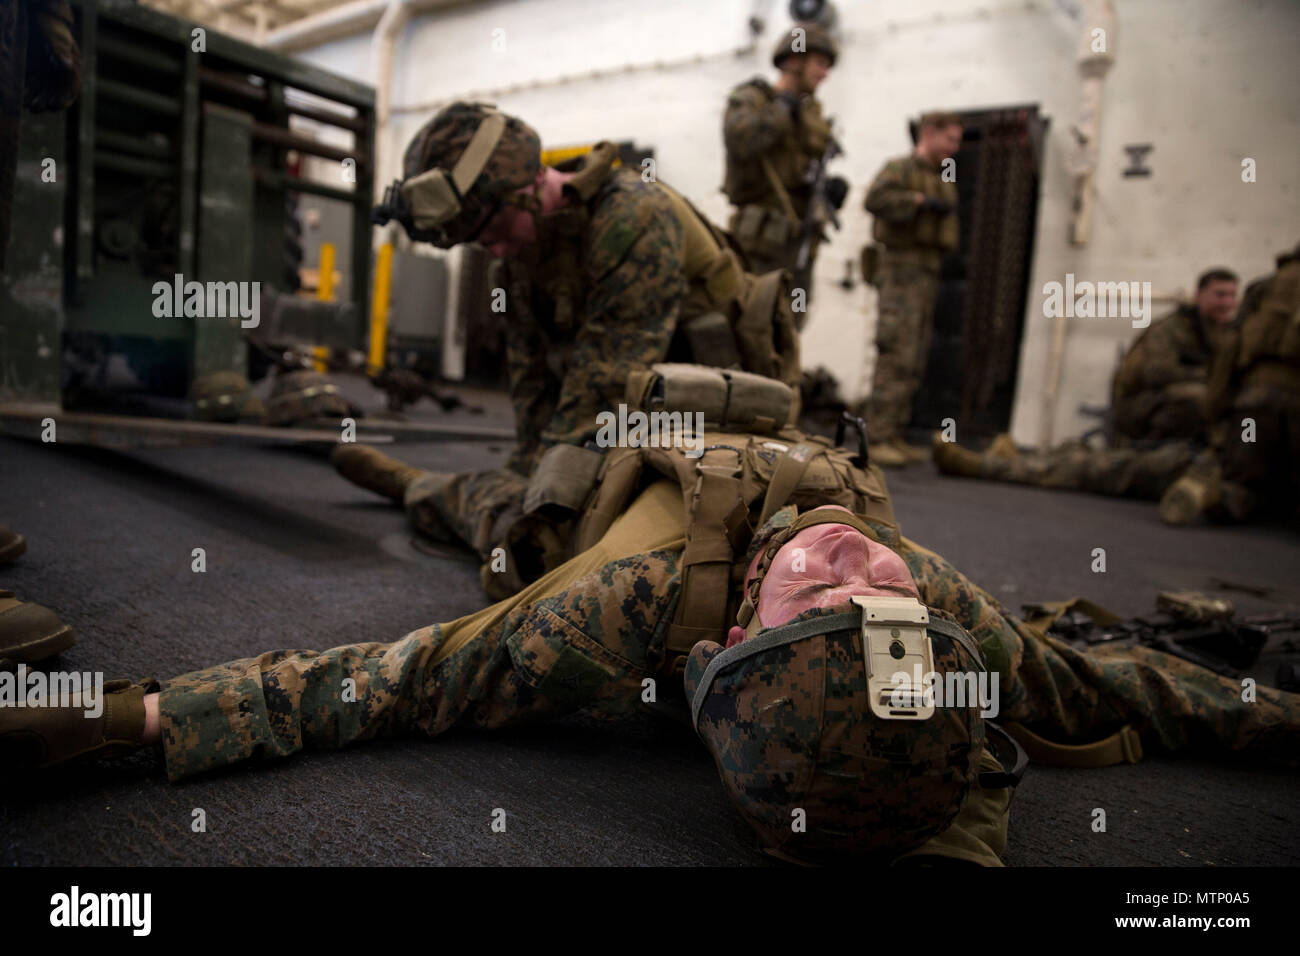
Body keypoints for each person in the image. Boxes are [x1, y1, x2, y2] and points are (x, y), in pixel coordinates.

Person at [8, 416, 1296, 865]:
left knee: (475, 512)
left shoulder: (606, 617)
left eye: (826, 598)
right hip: (723, 417)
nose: (865, 563)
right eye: (883, 600)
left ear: (732, 635)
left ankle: (360, 453)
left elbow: (381, 684)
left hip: (591, 510)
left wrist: (120, 717)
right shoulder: (940, 622)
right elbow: (1126, 682)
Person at [363, 103, 801, 594]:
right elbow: (532, 384)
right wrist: (530, 481)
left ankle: (429, 491)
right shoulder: (516, 262)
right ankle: (437, 492)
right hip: (633, 415)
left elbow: (608, 379)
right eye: (479, 241)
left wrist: (545, 506)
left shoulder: (634, 217)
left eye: (496, 230)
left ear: (526, 190)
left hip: (724, 424)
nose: (497, 249)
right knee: (542, 515)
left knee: (601, 549)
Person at [934, 268, 1241, 505]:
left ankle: (1003, 462)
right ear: (1199, 295)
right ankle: (988, 465)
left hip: (1199, 454)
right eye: (1219, 294)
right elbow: (1156, 373)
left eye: (1231, 296)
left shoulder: (1231, 336)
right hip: (1152, 423)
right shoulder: (1173, 330)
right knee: (1101, 467)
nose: (1227, 303)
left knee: (1100, 466)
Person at [1160, 243, 1300, 524]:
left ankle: (1213, 494)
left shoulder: (1267, 286)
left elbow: (1229, 353)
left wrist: (1217, 411)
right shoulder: (1171, 328)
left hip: (1254, 407)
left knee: (1242, 475)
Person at [859, 112, 963, 467]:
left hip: (926, 274)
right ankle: (874, 437)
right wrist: (916, 202)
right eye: (950, 139)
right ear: (929, 134)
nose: (955, 148)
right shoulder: (900, 169)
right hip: (901, 271)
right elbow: (874, 199)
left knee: (915, 357)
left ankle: (894, 432)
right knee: (895, 352)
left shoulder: (941, 178)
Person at [721, 21, 844, 307]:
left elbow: (799, 172)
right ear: (794, 61)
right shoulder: (754, 99)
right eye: (820, 64)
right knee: (752, 327)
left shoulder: (811, 114)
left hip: (800, 243)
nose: (825, 74)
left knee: (791, 328)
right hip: (759, 244)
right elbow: (742, 141)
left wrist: (827, 193)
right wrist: (781, 109)